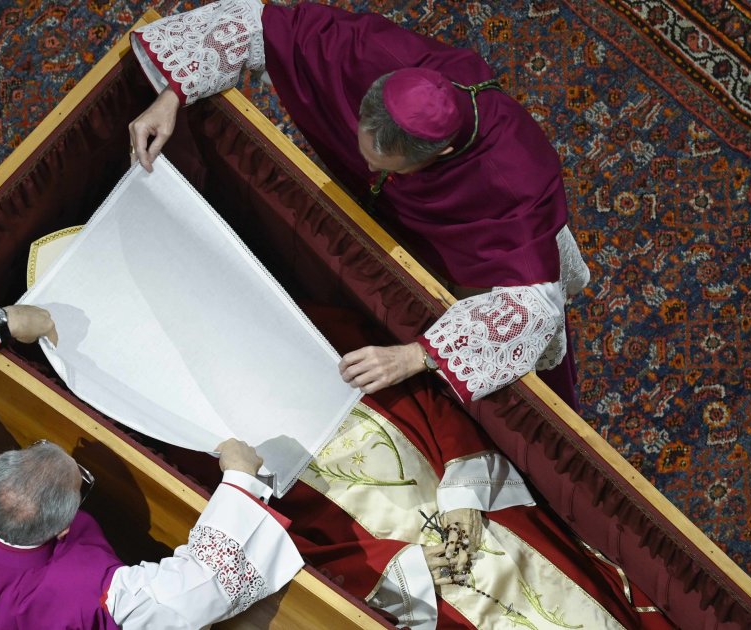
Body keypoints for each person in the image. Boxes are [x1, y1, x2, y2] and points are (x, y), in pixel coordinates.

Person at [127, 0, 591, 408]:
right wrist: (172, 95)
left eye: (386, 165)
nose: (371, 169)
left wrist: (416, 355)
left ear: (441, 154)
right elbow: (257, 24)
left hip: (459, 249)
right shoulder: (373, 54)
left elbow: (533, 303)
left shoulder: (517, 179)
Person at [166, 303, 673, 629]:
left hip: (451, 512)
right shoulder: (210, 431)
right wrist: (421, 549)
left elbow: (435, 405)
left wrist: (449, 513)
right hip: (444, 556)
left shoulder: (316, 338)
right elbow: (278, 550)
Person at [0, 292, 302, 629]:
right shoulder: (83, 594)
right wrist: (241, 478)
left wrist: (0, 321)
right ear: (65, 527)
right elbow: (200, 589)